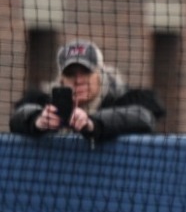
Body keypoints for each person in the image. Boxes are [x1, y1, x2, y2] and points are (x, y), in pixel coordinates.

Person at [9, 40, 165, 141]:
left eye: (85, 71)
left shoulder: (124, 98)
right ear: (61, 78)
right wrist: (38, 120)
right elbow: (19, 115)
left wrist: (92, 123)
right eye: (71, 74)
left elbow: (144, 117)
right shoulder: (45, 101)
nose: (78, 80)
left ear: (99, 73)